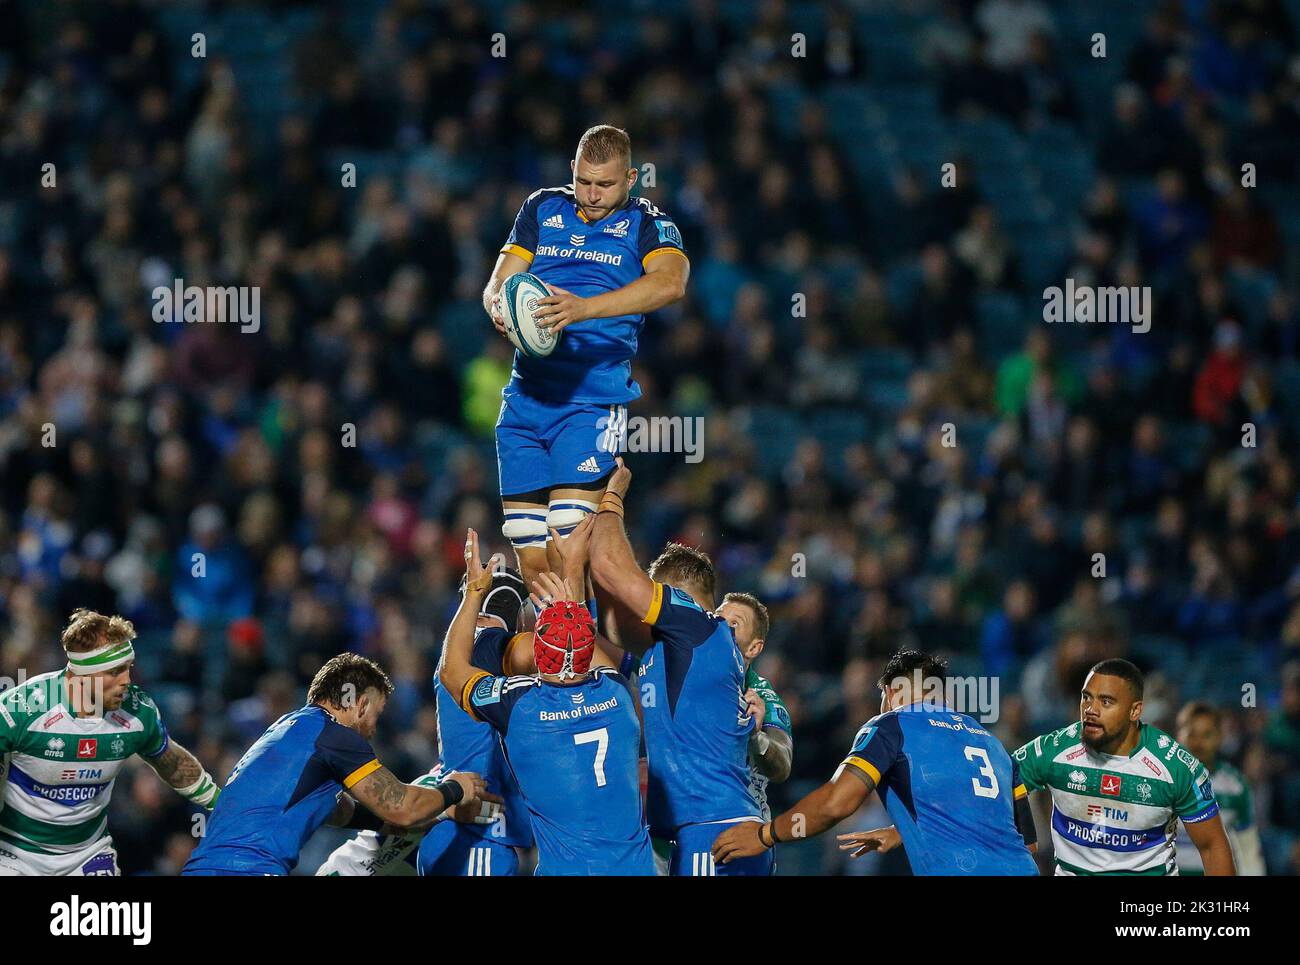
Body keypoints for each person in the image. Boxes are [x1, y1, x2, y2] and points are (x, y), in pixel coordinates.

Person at [483, 124, 690, 588]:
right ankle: (551, 658)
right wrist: (498, 307)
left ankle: (582, 662)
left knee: (568, 552)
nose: (592, 194)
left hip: (591, 406)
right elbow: (498, 281)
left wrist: (583, 309)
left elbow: (671, 283)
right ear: (572, 170)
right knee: (534, 566)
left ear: (631, 178)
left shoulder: (647, 224)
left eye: (606, 184)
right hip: (524, 404)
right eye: (584, 181)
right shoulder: (541, 207)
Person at [439, 525, 654, 875]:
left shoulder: (520, 706)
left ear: (535, 649)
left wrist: (474, 594)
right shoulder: (618, 696)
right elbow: (588, 651)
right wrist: (572, 570)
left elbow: (451, 671)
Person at [590, 458, 770, 875]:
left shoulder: (694, 624)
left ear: (675, 596)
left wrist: (611, 494)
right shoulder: (670, 650)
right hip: (703, 830)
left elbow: (610, 569)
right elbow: (603, 619)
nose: (644, 612)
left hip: (715, 829)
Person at [712, 649, 1038, 875]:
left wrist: (764, 834)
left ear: (892, 693)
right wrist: (903, 831)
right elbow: (1026, 842)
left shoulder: (892, 724)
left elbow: (836, 803)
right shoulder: (995, 745)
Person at [183, 652, 491, 876]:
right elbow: (402, 806)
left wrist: (383, 823)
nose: (372, 730)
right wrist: (454, 789)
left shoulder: (289, 730)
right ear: (361, 705)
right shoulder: (334, 736)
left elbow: (333, 808)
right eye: (376, 715)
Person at [0, 609, 220, 876]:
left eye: (128, 668)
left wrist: (221, 803)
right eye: (114, 672)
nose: (126, 681)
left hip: (87, 855)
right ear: (84, 674)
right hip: (15, 855)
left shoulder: (139, 712)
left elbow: (173, 764)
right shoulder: (20, 710)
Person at [1013, 658, 1236, 875]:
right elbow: (997, 781)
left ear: (1135, 711)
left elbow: (1212, 847)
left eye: (1106, 702)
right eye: (1086, 698)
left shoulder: (1176, 767)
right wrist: (1025, 846)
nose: (1091, 709)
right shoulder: (1054, 751)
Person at [1174, 701, 1266, 875]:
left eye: (1207, 734)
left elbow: (1248, 850)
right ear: (1178, 735)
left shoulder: (1236, 786)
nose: (1198, 742)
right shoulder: (1159, 780)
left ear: (1219, 737)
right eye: (1191, 733)